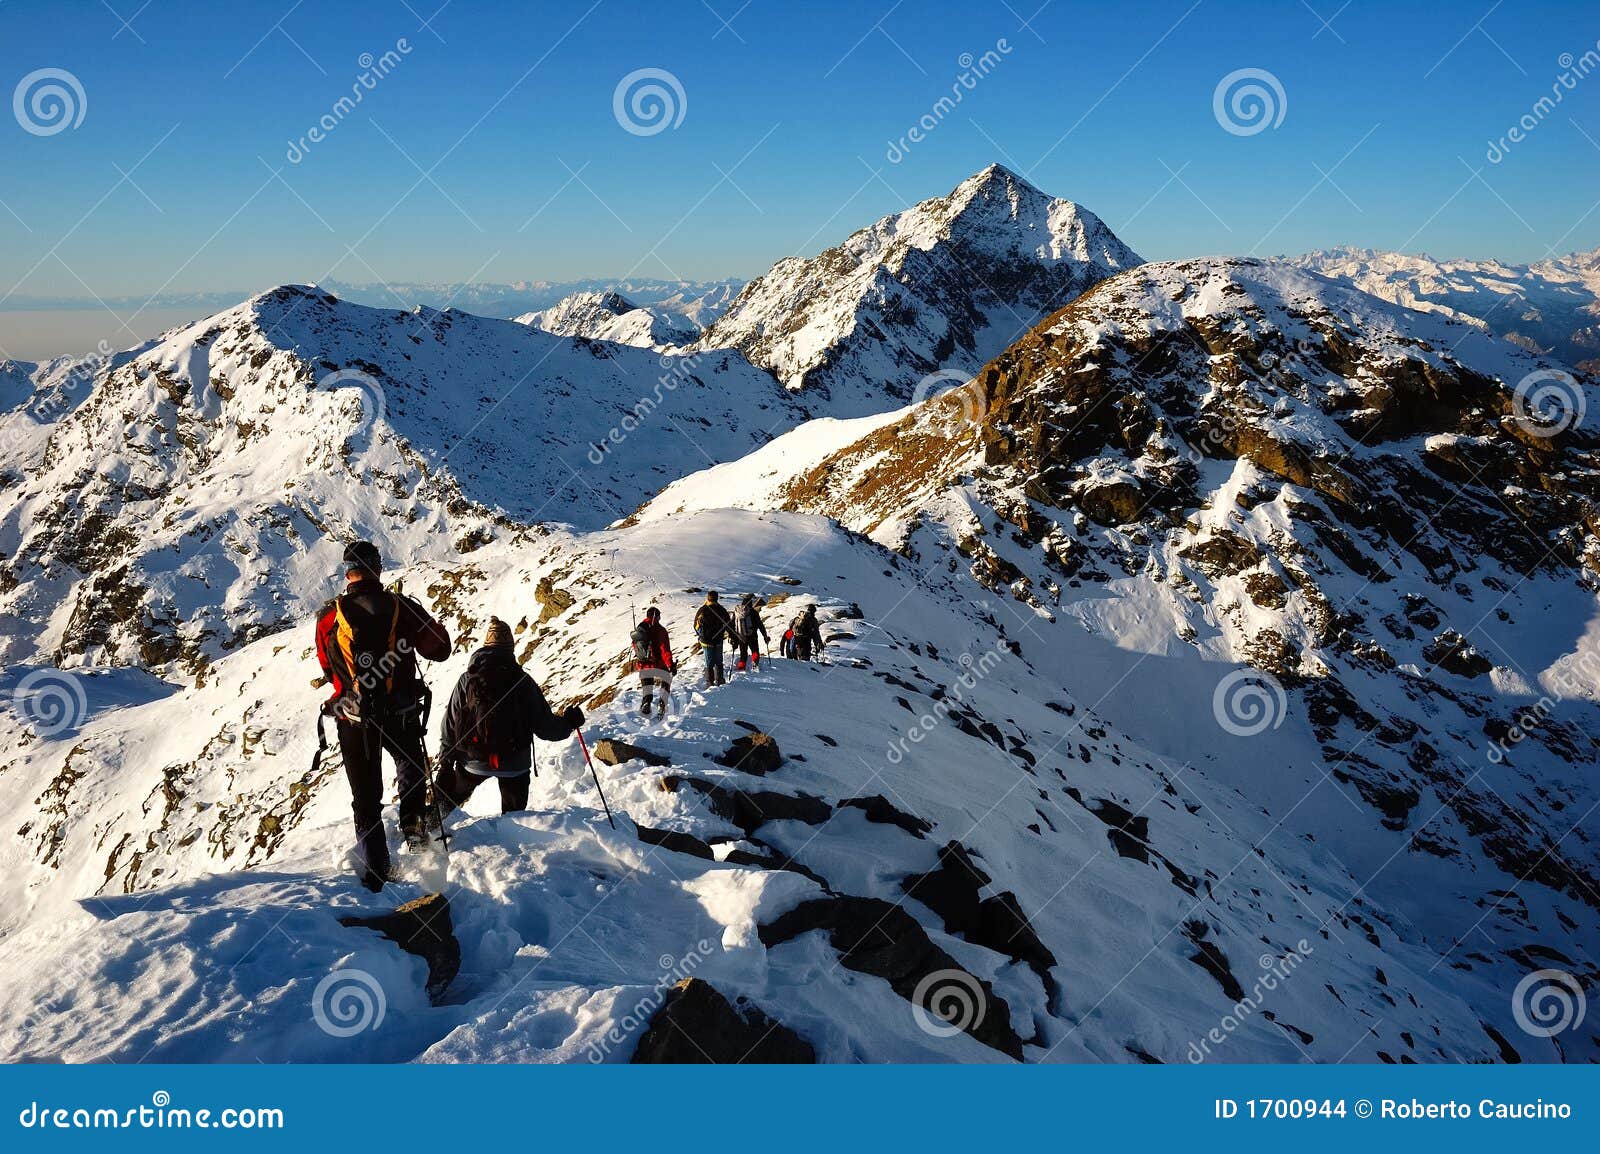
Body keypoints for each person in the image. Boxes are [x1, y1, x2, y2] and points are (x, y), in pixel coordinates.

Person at [315, 540, 451, 892]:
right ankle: (415, 834)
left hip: (354, 718)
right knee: (410, 768)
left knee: (365, 796)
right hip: (400, 713)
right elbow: (440, 650)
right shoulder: (400, 607)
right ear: (377, 568)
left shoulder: (329, 617)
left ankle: (377, 870)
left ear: (348, 573)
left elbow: (329, 668)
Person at [432, 616, 583, 819]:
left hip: (472, 759)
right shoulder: (522, 681)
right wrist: (569, 723)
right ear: (510, 648)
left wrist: (445, 762)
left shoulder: (468, 679)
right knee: (514, 819)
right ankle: (513, 839)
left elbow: (450, 723)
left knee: (447, 802)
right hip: (514, 763)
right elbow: (547, 729)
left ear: (485, 646)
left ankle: (430, 828)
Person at [631, 606, 675, 717]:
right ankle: (662, 703)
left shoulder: (640, 628)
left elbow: (635, 645)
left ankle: (646, 702)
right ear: (657, 617)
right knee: (666, 677)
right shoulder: (660, 630)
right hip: (658, 663)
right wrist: (670, 665)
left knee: (647, 683)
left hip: (643, 663)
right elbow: (664, 650)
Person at [693, 591, 734, 687]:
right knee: (719, 661)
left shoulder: (702, 610)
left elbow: (695, 626)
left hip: (706, 641)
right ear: (717, 598)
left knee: (709, 663)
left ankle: (709, 683)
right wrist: (732, 637)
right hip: (718, 640)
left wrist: (700, 636)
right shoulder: (722, 610)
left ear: (707, 598)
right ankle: (720, 680)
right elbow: (729, 626)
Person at [731, 593, 768, 671]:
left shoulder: (737, 612)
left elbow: (732, 624)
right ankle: (755, 663)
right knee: (754, 650)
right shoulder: (753, 612)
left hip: (741, 636)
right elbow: (760, 625)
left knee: (743, 654)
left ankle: (741, 667)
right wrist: (765, 635)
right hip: (752, 635)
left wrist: (733, 637)